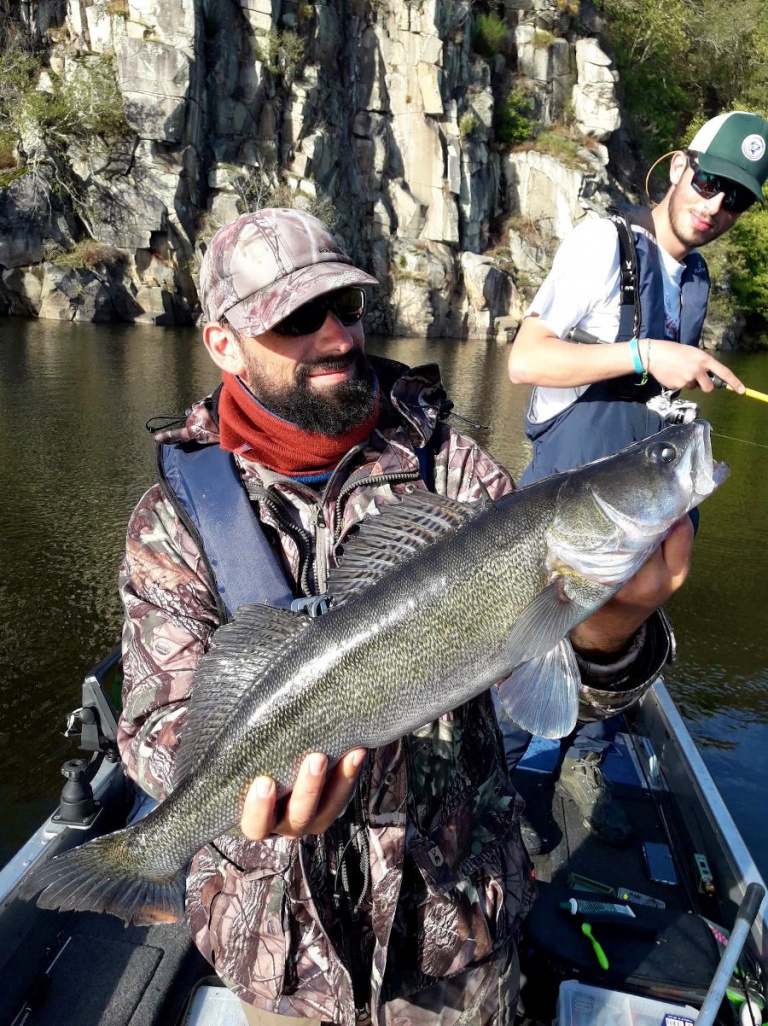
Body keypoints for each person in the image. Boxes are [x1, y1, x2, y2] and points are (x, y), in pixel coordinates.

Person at [117, 207, 694, 1026]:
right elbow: (153, 725)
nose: (336, 336)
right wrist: (251, 800)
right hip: (280, 960)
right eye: (294, 318)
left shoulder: (453, 474)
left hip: (457, 931)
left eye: (345, 307)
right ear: (222, 344)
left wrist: (610, 629)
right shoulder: (173, 519)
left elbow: (558, 689)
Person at [501, 110, 768, 852]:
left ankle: (575, 762)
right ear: (680, 165)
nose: (715, 206)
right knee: (525, 696)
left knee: (602, 667)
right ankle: (522, 782)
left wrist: (679, 381)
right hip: (556, 532)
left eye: (737, 199)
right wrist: (647, 354)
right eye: (710, 181)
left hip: (630, 527)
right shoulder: (603, 243)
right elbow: (527, 360)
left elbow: (654, 390)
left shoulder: (696, 277)